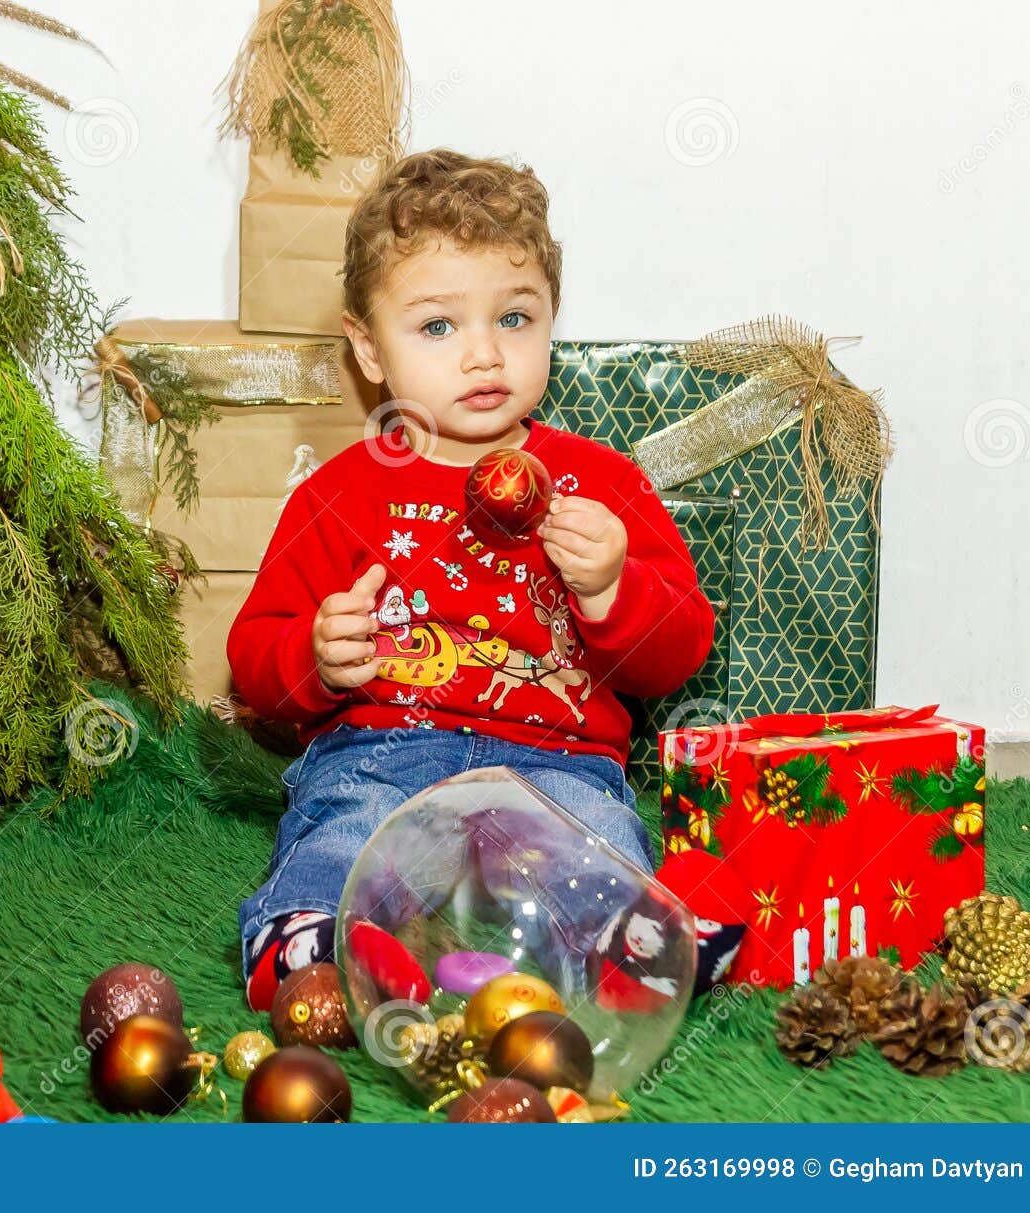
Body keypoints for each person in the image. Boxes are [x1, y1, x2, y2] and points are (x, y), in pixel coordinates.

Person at [227, 148, 715, 1011]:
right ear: (368, 348)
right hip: (382, 750)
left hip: (555, 762)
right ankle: (309, 931)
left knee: (597, 836)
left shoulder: (601, 483)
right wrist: (314, 654)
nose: (485, 354)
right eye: (439, 327)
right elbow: (253, 657)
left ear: (552, 317)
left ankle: (631, 942)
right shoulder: (341, 491)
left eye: (516, 318)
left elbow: (679, 647)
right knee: (342, 821)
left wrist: (610, 586)